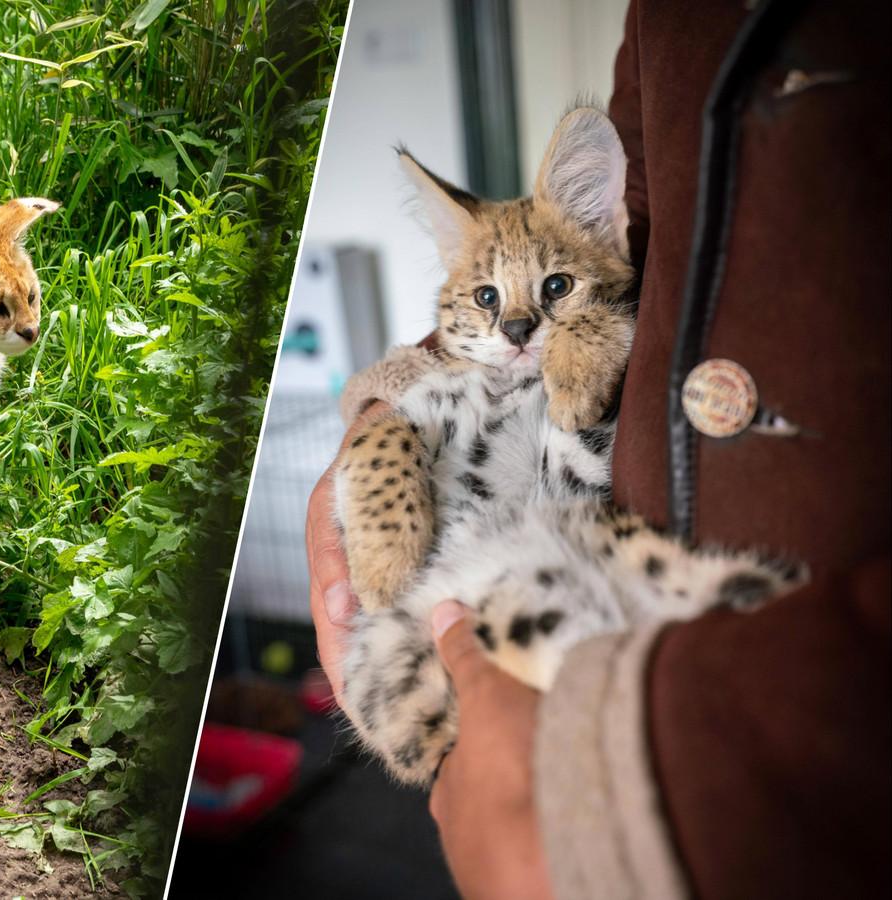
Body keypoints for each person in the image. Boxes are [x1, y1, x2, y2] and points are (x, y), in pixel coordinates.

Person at [305, 1, 890, 898]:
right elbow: (653, 194)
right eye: (489, 304)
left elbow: (631, 242)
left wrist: (592, 336)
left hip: (721, 691)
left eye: (548, 292)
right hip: (504, 649)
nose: (518, 327)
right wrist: (378, 423)